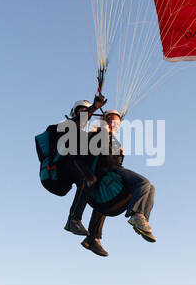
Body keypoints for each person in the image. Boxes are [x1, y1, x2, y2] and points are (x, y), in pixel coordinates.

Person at [79, 109, 156, 256]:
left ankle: (92, 238)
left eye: (117, 124)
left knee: (151, 188)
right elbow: (103, 158)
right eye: (112, 122)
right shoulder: (96, 135)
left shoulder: (111, 139)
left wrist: (119, 153)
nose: (115, 125)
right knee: (143, 184)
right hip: (107, 172)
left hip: (107, 180)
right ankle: (137, 215)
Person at [52, 95, 106, 236]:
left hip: (79, 166)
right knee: (89, 179)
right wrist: (93, 107)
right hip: (66, 163)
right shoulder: (66, 125)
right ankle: (73, 220)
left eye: (86, 111)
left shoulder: (83, 134)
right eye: (81, 110)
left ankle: (94, 238)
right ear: (74, 113)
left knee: (101, 188)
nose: (84, 113)